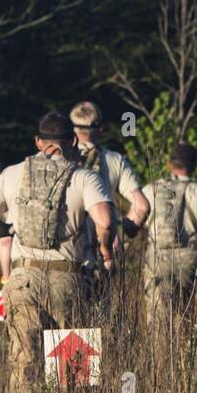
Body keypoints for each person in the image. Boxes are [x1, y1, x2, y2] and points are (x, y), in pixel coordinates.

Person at [0, 112, 116, 393]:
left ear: (38, 142)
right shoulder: (84, 176)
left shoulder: (12, 174)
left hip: (22, 280)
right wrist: (105, 251)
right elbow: (105, 220)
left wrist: (8, 230)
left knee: (24, 363)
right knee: (74, 371)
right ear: (73, 141)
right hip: (70, 281)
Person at [141, 143, 197, 325]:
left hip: (156, 257)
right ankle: (183, 350)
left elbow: (133, 220)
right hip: (188, 257)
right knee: (184, 313)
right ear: (193, 165)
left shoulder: (150, 190)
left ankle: (159, 352)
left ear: (169, 164)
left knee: (158, 315)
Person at [69, 101, 149, 283]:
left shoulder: (59, 158)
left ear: (72, 130)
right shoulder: (115, 160)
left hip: (63, 252)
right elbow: (141, 206)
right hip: (101, 253)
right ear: (100, 130)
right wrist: (124, 229)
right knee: (98, 308)